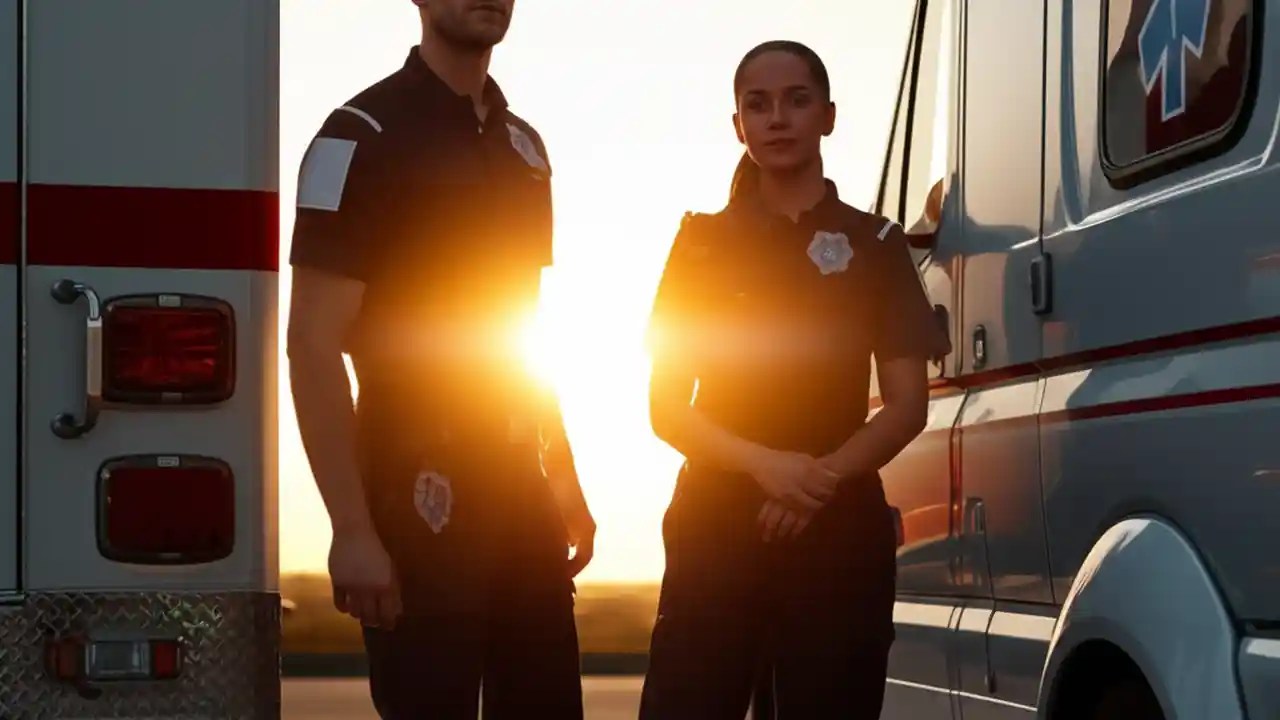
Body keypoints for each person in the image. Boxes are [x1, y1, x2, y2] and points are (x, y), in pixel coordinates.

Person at [285, 1, 594, 717]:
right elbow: (313, 343)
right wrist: (352, 529)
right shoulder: (358, 135)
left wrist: (564, 475)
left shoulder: (526, 149)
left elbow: (521, 328)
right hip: (413, 485)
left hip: (522, 491)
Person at [638, 40, 946, 719]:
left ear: (828, 116)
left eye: (797, 100)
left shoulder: (877, 245)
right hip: (716, 531)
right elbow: (667, 408)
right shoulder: (701, 244)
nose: (777, 117)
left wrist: (816, 483)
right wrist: (764, 466)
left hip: (839, 540)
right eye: (758, 104)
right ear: (737, 125)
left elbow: (906, 407)